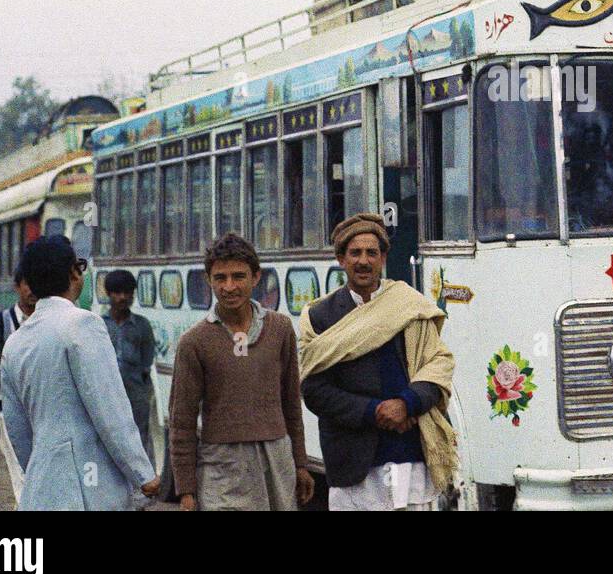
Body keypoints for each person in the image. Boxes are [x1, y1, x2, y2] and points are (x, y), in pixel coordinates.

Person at [299, 212, 457, 511]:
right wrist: (375, 411)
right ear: (341, 259)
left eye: (372, 252)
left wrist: (407, 403)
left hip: (411, 455)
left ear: (383, 257)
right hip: (355, 464)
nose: (363, 261)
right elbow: (316, 391)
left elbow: (438, 365)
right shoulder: (320, 316)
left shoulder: (410, 306)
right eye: (354, 253)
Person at [0, 236, 159, 510]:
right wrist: (142, 474)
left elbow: (16, 427)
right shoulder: (83, 324)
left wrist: (45, 471)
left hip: (42, 491)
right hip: (90, 490)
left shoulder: (15, 343)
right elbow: (110, 409)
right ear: (75, 272)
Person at [168, 232, 313, 511]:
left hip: (276, 460)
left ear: (256, 278)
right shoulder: (194, 342)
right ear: (208, 280)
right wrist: (185, 490)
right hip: (222, 467)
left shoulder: (280, 329)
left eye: (238, 276)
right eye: (220, 278)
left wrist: (301, 463)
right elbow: (182, 422)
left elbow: (291, 403)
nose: (229, 286)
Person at [0, 266, 36, 503]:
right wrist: (25, 373)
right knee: (21, 474)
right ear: (17, 287)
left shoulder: (48, 322)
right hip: (10, 413)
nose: (32, 290)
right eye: (27, 284)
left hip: (45, 413)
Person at [103, 270, 156, 461]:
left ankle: (144, 484)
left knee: (140, 439)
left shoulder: (142, 326)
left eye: (127, 293)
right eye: (117, 293)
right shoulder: (99, 325)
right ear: (108, 294)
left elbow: (147, 359)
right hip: (106, 394)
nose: (123, 298)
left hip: (136, 394)